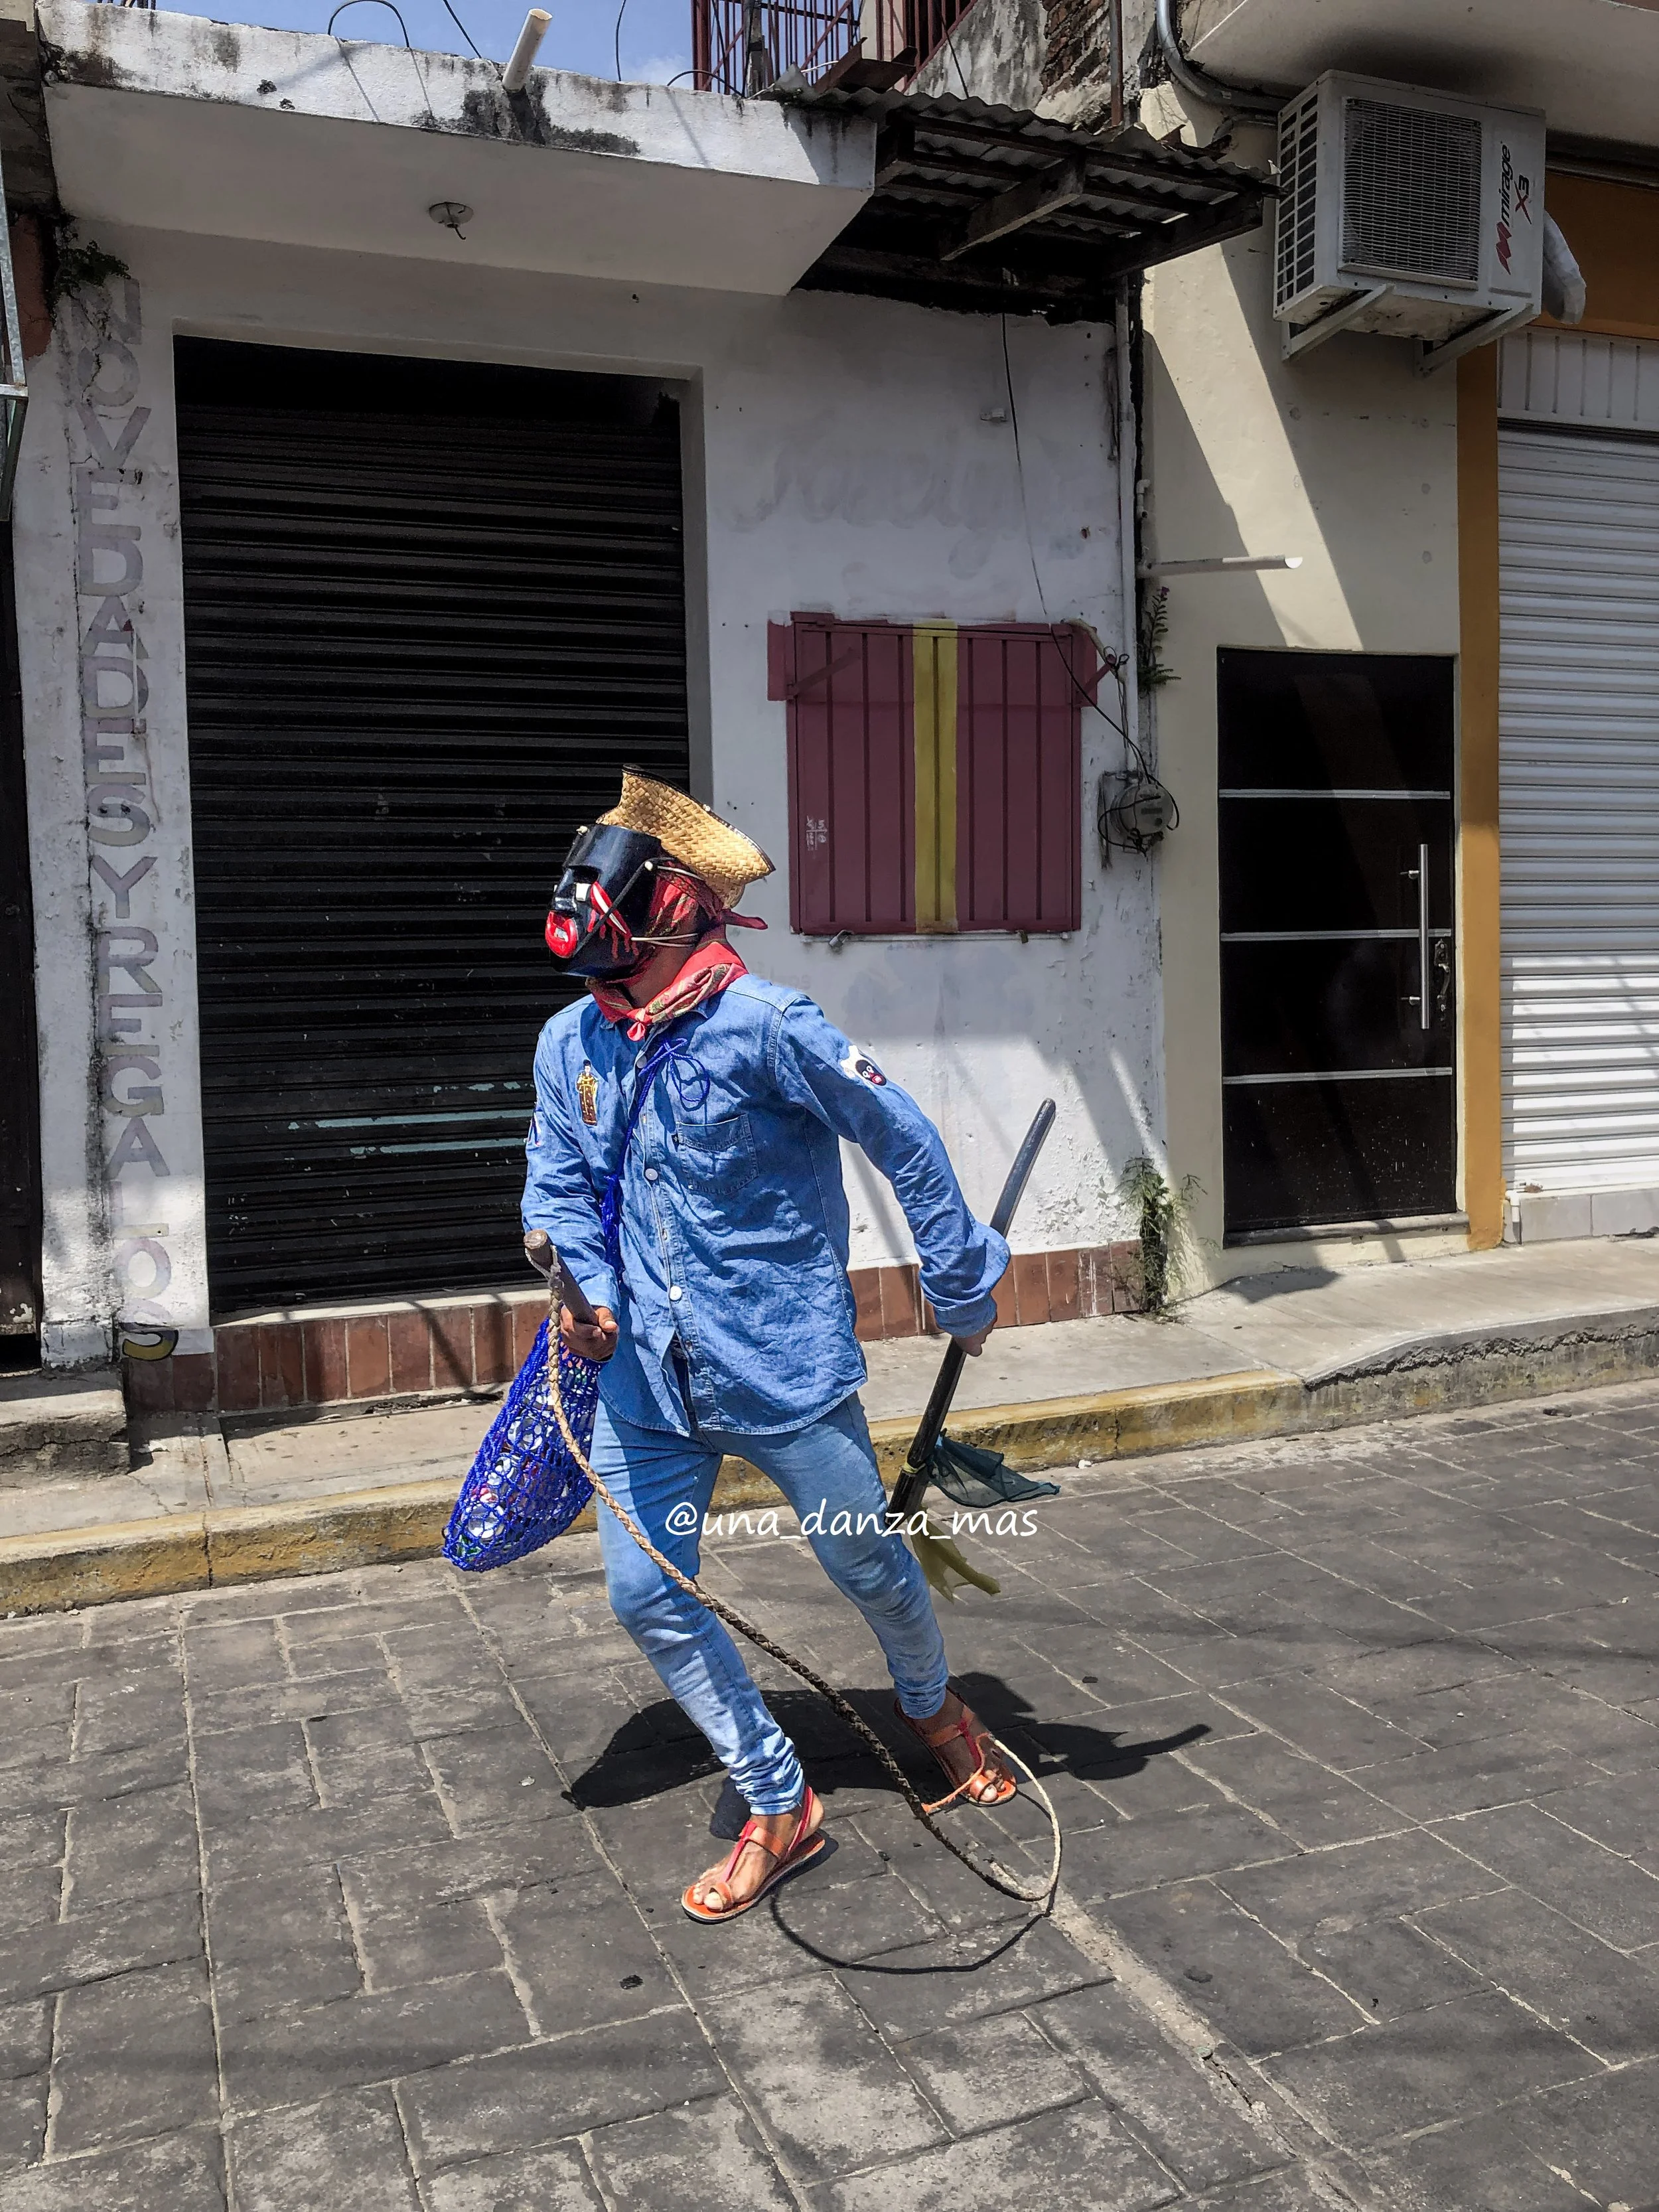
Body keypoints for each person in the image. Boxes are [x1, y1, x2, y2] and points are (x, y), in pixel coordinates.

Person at [524, 772, 1015, 1924]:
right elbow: (555, 1182)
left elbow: (905, 1137)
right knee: (646, 1597)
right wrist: (577, 1287)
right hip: (643, 1380)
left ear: (677, 906)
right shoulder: (569, 1043)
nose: (586, 910)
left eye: (611, 892)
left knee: (864, 1566)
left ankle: (939, 1709)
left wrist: (958, 1281)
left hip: (784, 1374)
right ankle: (776, 1798)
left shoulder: (772, 1029)